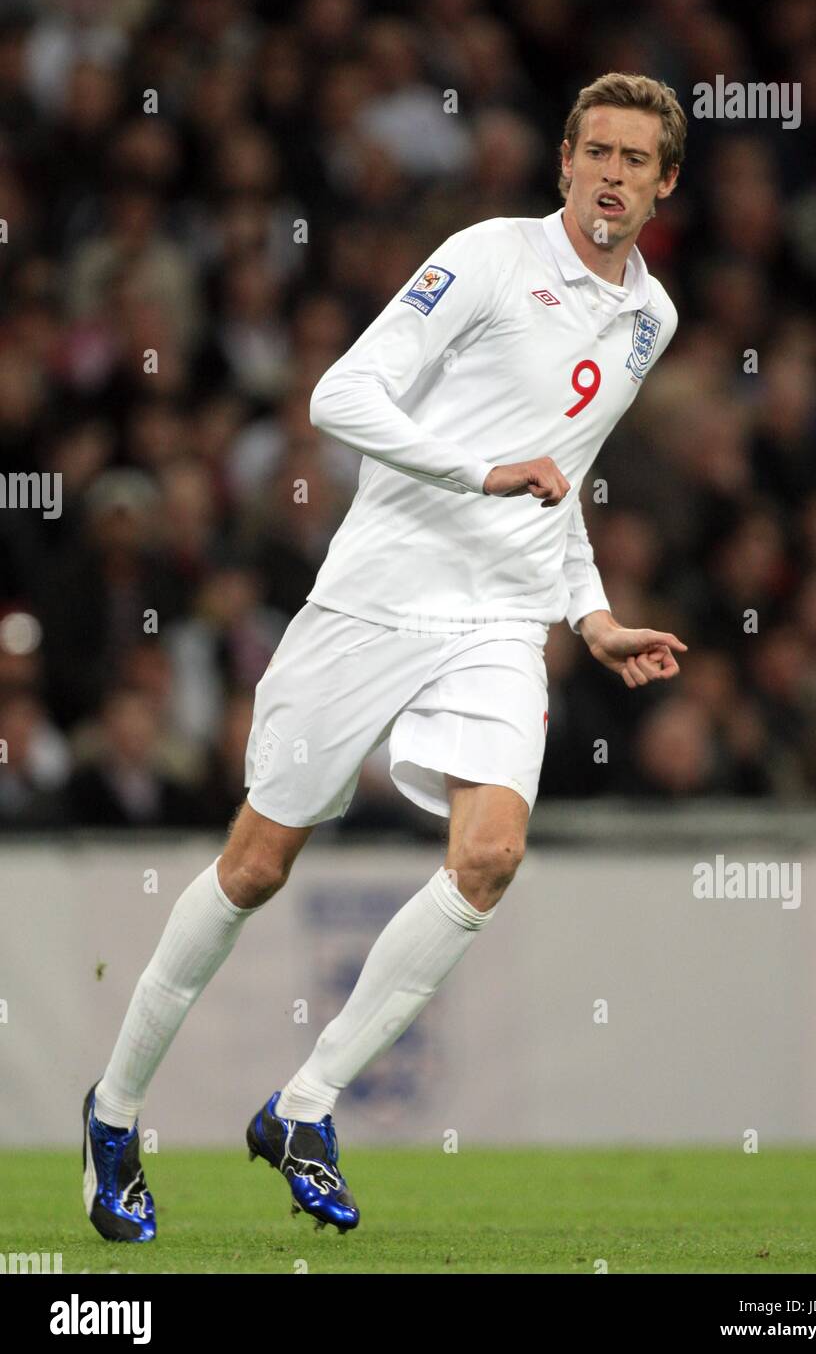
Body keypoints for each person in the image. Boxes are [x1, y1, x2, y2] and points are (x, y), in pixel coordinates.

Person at [83, 71, 689, 1242]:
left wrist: (590, 613)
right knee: (256, 866)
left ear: (664, 186)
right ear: (561, 161)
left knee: (489, 856)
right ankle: (113, 1112)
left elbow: (562, 475)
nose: (610, 174)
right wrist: (477, 471)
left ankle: (304, 1105)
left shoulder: (649, 319)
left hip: (499, 621)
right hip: (376, 596)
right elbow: (336, 393)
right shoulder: (486, 256)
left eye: (634, 160)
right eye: (594, 151)